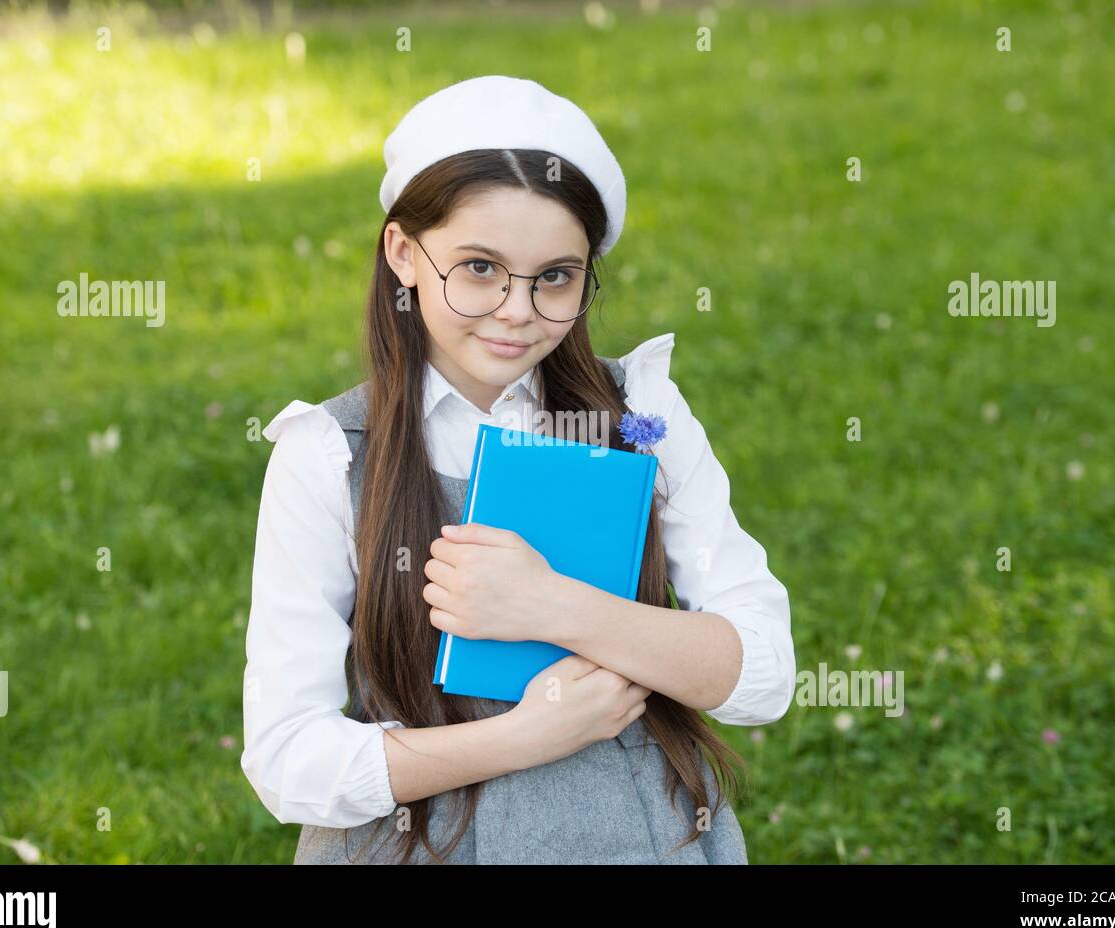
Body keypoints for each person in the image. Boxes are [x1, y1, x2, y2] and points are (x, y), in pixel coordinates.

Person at [240, 75, 795, 864]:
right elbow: (286, 758)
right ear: (403, 252)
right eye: (478, 268)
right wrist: (525, 736)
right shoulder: (330, 451)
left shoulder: (640, 411)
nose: (517, 309)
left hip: (635, 836)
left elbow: (762, 674)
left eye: (556, 277)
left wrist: (552, 604)